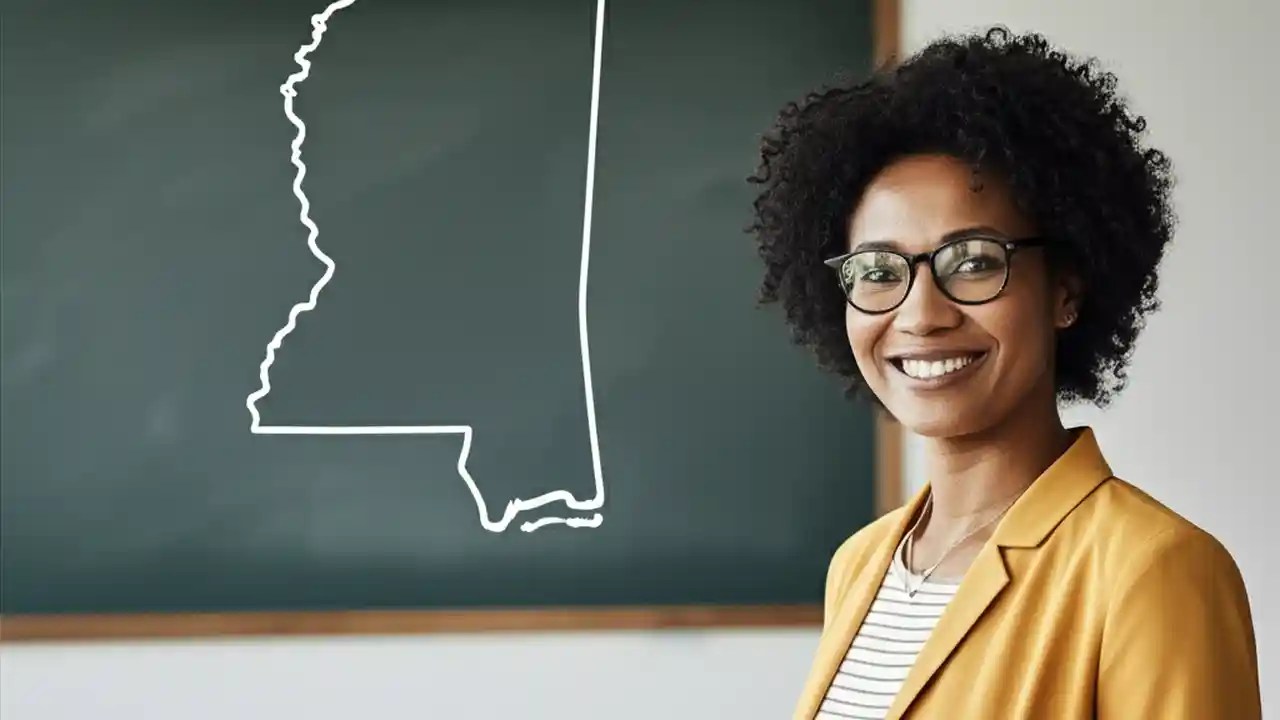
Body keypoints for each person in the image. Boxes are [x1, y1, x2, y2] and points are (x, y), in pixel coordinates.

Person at [747, 26, 1261, 719]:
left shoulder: (1152, 569)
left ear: (1065, 291)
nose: (920, 313)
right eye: (877, 271)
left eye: (975, 261)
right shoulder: (860, 565)